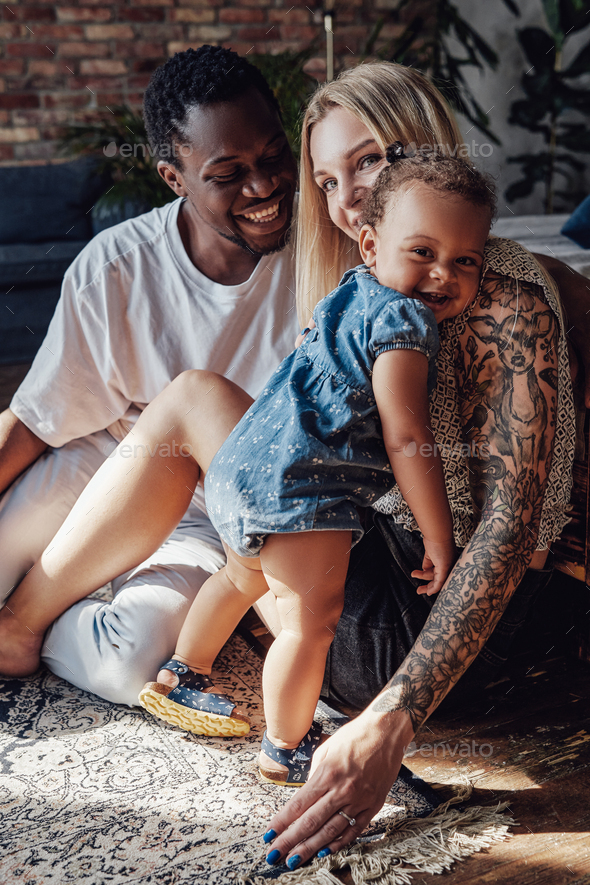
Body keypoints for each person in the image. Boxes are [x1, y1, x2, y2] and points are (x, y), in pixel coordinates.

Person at [0, 58, 586, 871]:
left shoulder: (503, 292)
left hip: (422, 634)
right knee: (204, 420)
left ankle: (45, 629)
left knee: (197, 405)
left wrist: (391, 719)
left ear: (424, 146)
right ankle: (70, 632)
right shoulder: (372, 283)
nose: (346, 199)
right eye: (328, 180)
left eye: (369, 162)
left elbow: (507, 531)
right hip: (376, 592)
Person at [137, 150, 494, 787]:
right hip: (305, 491)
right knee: (310, 623)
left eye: (465, 260)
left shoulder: (351, 291)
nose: (442, 274)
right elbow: (407, 437)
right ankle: (285, 746)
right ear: (371, 245)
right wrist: (439, 536)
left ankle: (181, 674)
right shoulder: (405, 321)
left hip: (243, 464)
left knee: (240, 576)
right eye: (422, 252)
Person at [0, 46, 299, 700]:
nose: (263, 187)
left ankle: (30, 620)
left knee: (123, 664)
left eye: (274, 155)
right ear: (174, 178)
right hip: (107, 462)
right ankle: (50, 591)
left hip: (211, 512)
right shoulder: (116, 265)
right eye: (229, 173)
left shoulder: (324, 257)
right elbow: (35, 421)